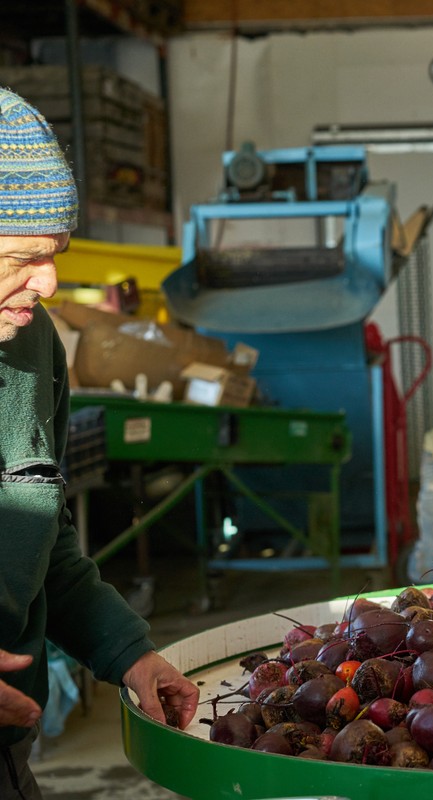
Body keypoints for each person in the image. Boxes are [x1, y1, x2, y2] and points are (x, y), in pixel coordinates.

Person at [0, 86, 198, 797]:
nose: (49, 284)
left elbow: (39, 543)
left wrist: (130, 654)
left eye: (56, 255)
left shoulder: (31, 349)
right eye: (24, 257)